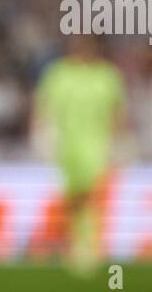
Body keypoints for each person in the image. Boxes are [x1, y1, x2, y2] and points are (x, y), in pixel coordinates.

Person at [34, 33, 126, 274]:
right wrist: (41, 133)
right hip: (66, 144)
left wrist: (119, 140)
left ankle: (87, 249)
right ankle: (75, 245)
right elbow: (43, 105)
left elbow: (117, 111)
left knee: (89, 193)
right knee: (73, 197)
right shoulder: (58, 73)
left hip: (96, 144)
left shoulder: (107, 75)